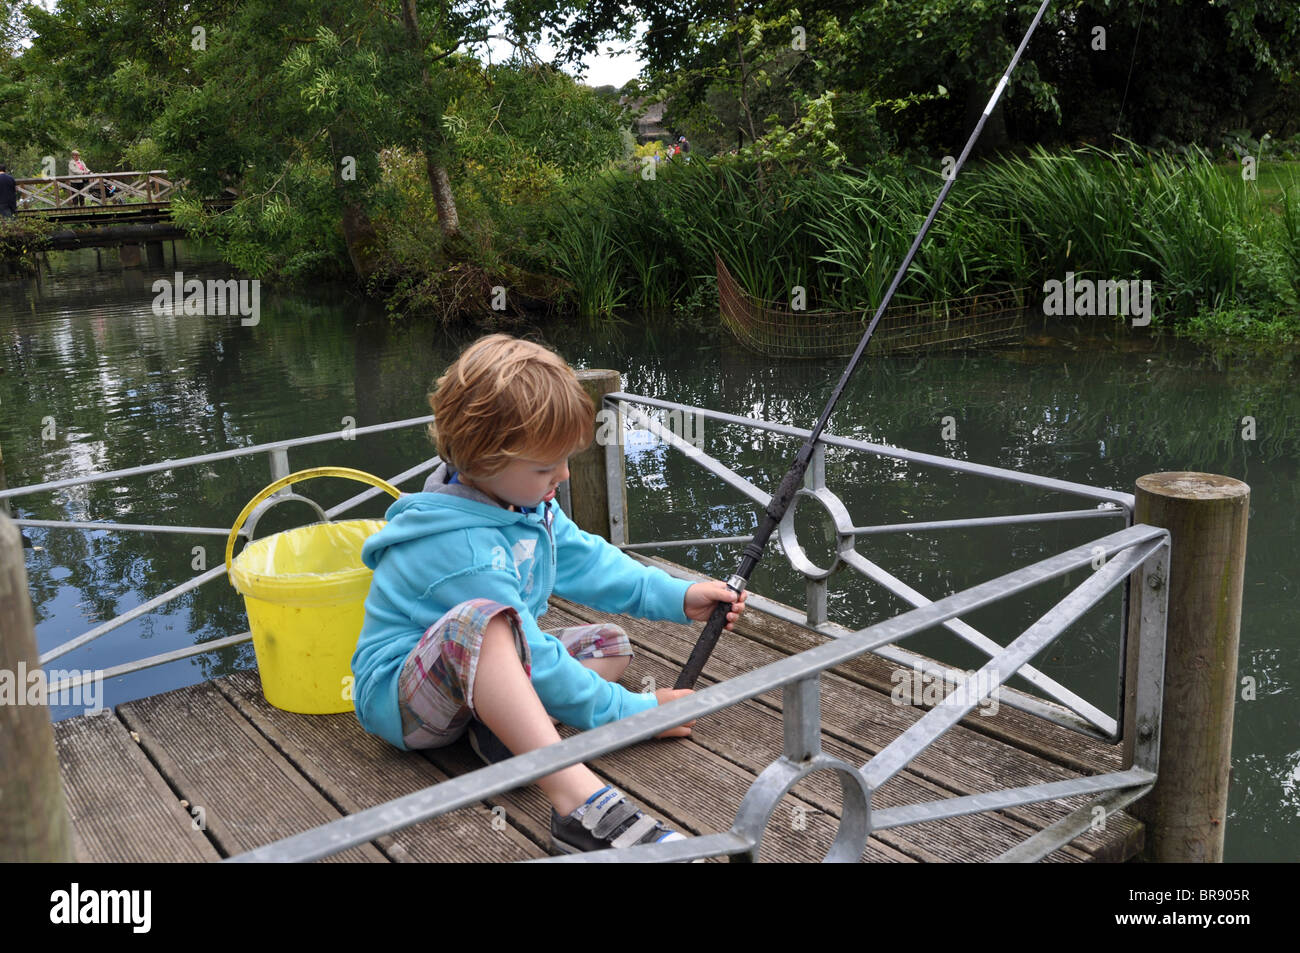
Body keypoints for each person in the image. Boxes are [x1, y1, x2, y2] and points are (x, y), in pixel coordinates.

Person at [351, 335, 746, 854]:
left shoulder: (521, 505)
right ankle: (580, 807)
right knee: (488, 622)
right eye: (545, 467)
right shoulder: (461, 546)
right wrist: (634, 714)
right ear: (482, 460)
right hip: (406, 702)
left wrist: (680, 595)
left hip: (472, 686)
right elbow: (532, 649)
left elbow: (589, 560)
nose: (562, 475)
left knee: (611, 644)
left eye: (564, 459)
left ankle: (501, 732)